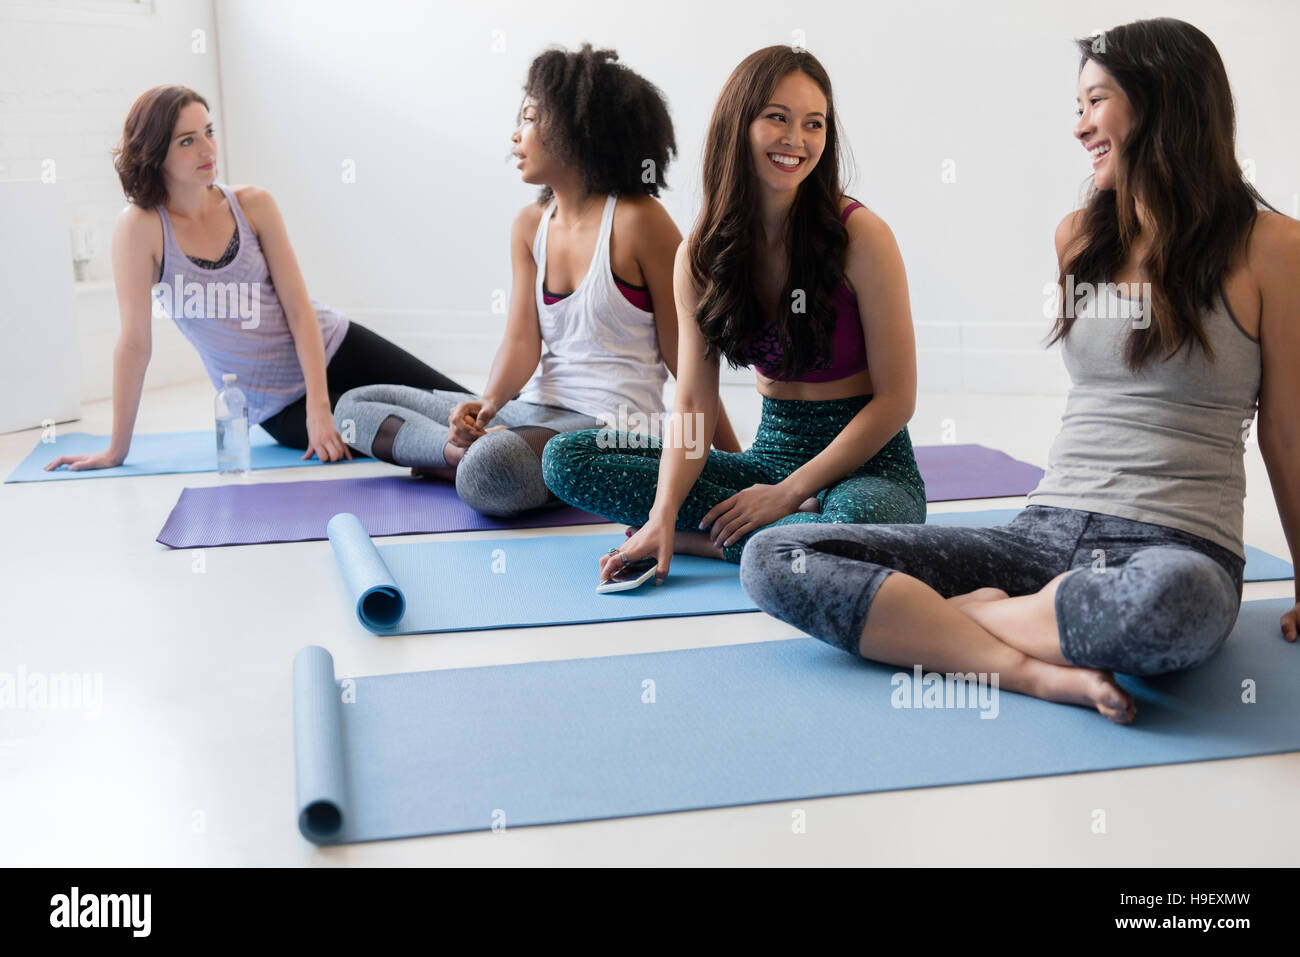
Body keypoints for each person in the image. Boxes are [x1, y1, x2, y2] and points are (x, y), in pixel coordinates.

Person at [738, 18, 1300, 724]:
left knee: (1180, 602)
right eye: (1078, 108)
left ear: (1165, 100)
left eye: (1096, 102)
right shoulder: (1079, 237)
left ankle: (944, 622)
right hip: (1040, 533)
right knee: (774, 555)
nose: (1080, 126)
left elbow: (1286, 433)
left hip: (1174, 545)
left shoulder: (1274, 247)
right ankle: (1022, 666)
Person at [541, 46, 926, 577]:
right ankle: (748, 535)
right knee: (567, 458)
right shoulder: (699, 255)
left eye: (814, 124)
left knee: (856, 527)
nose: (797, 139)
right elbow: (695, 404)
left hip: (870, 469)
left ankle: (712, 542)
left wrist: (789, 494)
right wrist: (662, 511)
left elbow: (897, 400)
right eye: (777, 118)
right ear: (738, 124)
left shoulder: (862, 236)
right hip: (769, 456)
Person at [334, 45, 740, 517]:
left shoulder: (639, 221)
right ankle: (452, 456)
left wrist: (735, 463)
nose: (516, 133)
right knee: (353, 406)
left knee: (495, 466)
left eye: (530, 117)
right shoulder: (530, 225)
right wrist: (484, 408)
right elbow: (521, 342)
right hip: (528, 413)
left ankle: (473, 463)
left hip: (607, 429)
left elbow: (688, 359)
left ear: (577, 130)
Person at [45, 84, 468, 472]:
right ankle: (490, 464)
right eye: (187, 141)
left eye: (208, 132)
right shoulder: (140, 228)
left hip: (333, 345)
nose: (208, 149)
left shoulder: (253, 204)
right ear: (154, 153)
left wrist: (319, 408)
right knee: (420, 433)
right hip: (278, 404)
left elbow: (299, 309)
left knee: (461, 406)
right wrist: (116, 449)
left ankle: (528, 437)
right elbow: (135, 343)